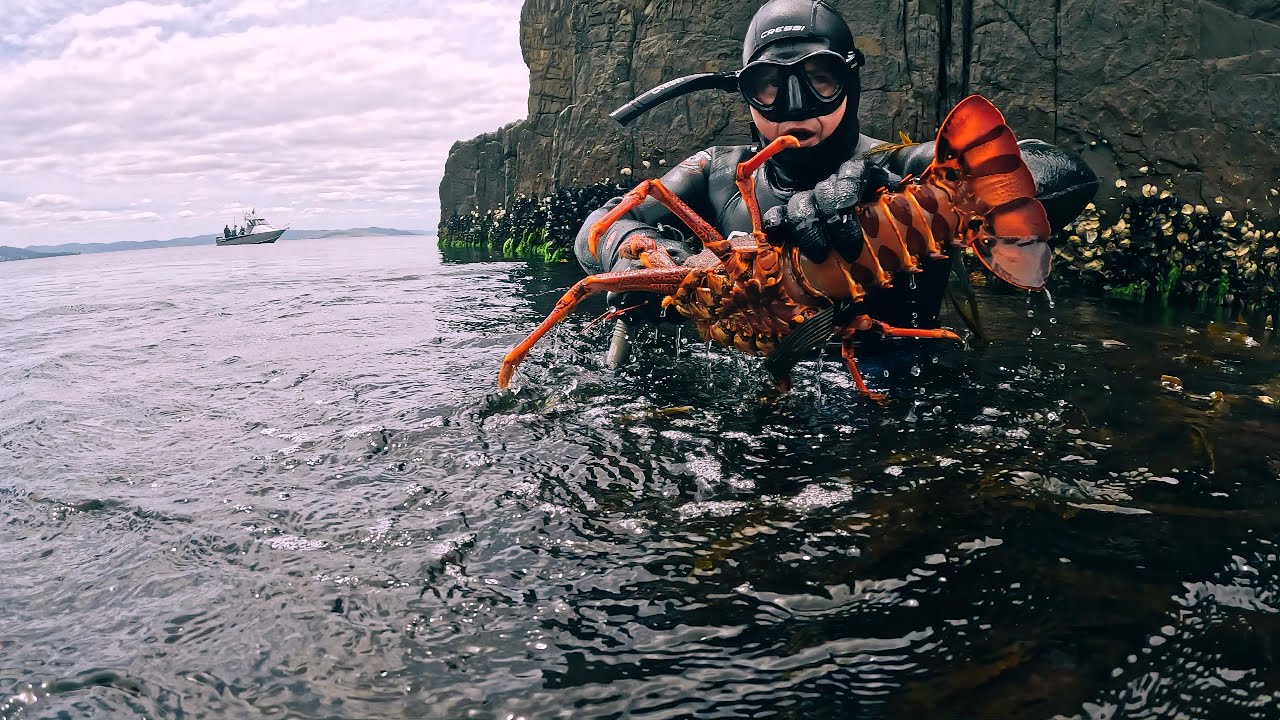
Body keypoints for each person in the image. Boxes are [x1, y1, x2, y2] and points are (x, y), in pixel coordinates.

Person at [574, 0, 1097, 339]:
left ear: (851, 81)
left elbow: (1065, 173)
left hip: (896, 409)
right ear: (746, 94)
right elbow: (600, 223)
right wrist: (643, 252)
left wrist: (891, 193)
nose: (795, 105)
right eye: (769, 86)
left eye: (820, 78)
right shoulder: (715, 171)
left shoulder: (897, 166)